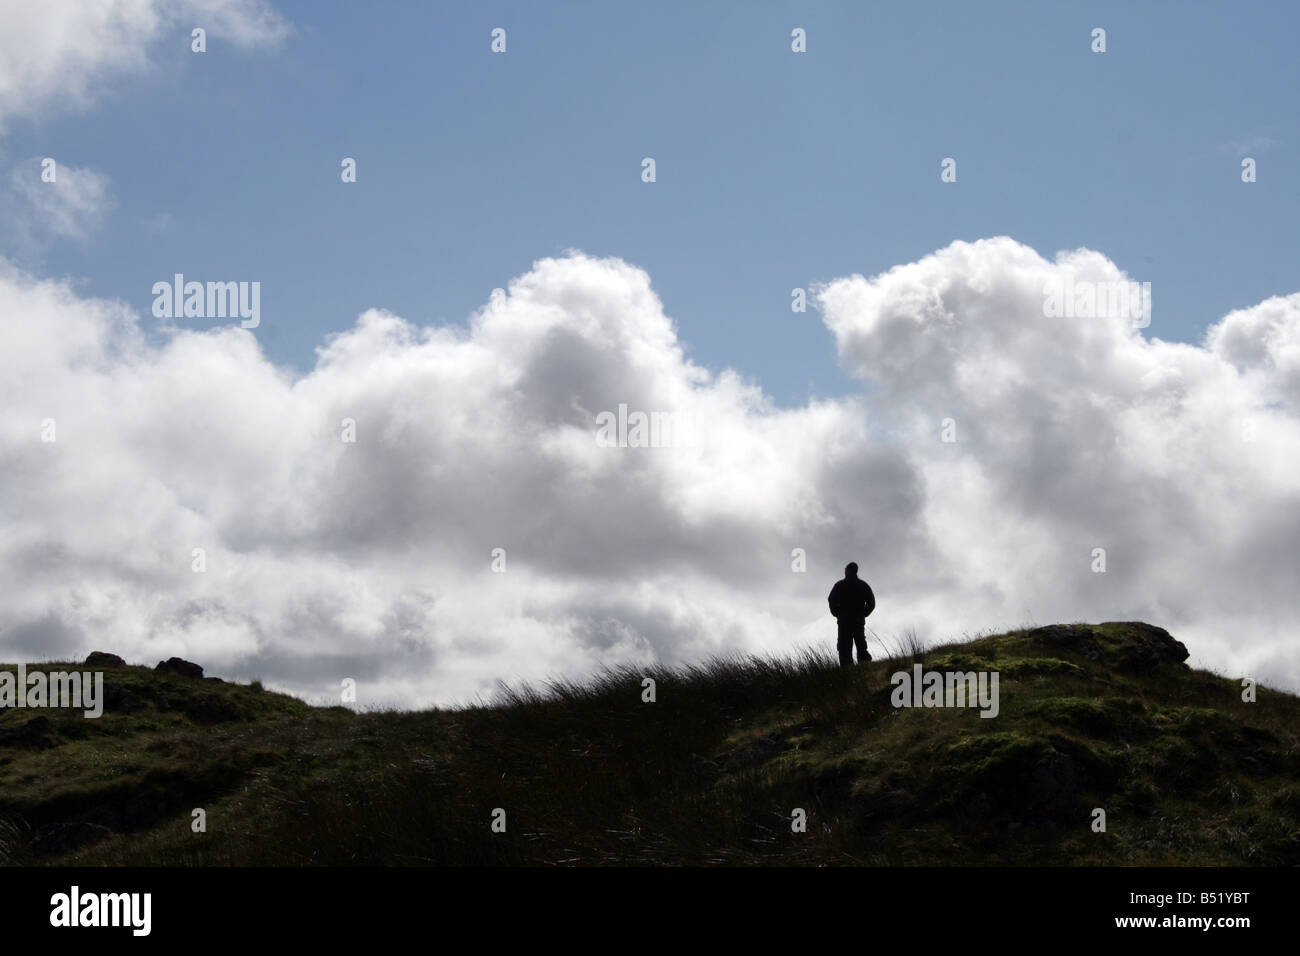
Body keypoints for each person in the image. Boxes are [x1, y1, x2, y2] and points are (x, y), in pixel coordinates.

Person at [828, 562, 875, 667]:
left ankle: (848, 669)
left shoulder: (840, 585)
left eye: (846, 569)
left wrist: (837, 613)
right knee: (860, 644)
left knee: (845, 647)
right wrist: (863, 614)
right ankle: (863, 666)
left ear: (848, 571)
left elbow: (831, 600)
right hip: (855, 621)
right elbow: (871, 603)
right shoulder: (862, 585)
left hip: (845, 621)